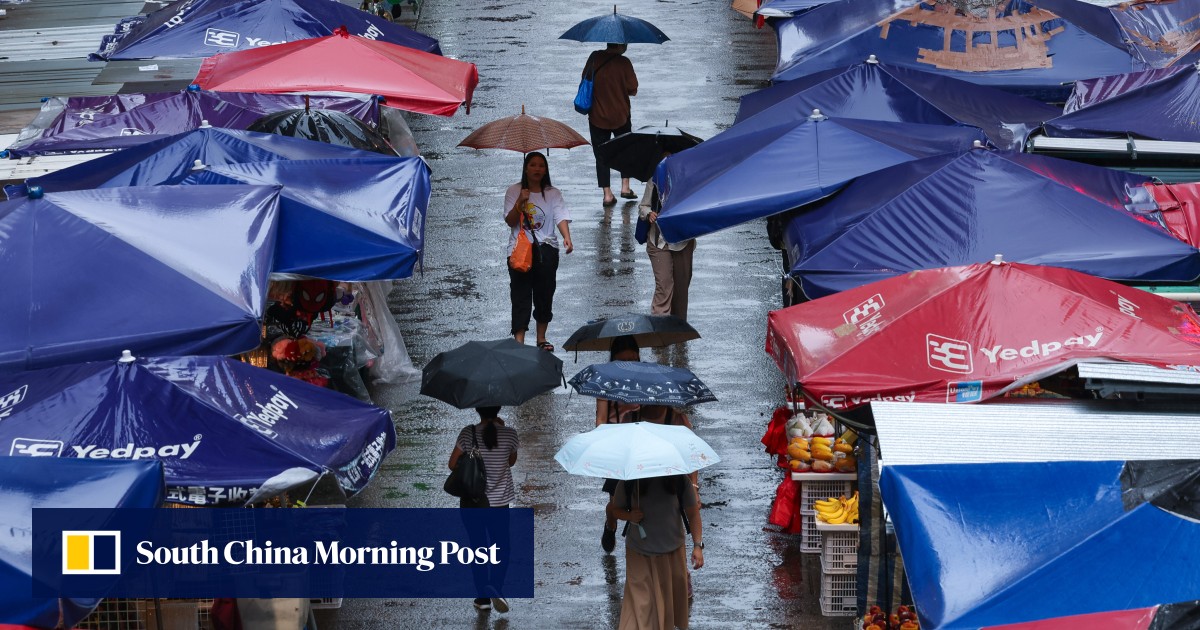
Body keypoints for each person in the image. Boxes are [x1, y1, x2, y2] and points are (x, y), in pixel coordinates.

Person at [448, 406, 519, 613]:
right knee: (501, 547)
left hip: (472, 502)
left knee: (477, 547)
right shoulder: (509, 434)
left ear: (477, 409)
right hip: (499, 504)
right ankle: (495, 586)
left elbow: (452, 464)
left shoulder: (467, 433)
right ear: (499, 408)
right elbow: (511, 462)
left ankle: (482, 598)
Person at [610, 473, 703, 630]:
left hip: (672, 552)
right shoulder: (629, 481)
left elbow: (693, 514)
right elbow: (615, 510)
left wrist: (697, 546)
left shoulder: (679, 480)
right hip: (638, 553)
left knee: (665, 610)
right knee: (640, 607)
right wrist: (629, 516)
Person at [504, 152, 573, 352]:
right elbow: (510, 221)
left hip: (546, 249)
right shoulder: (514, 190)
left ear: (546, 170)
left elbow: (560, 216)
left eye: (541, 165)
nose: (537, 169)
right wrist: (520, 202)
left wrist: (566, 236)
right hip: (520, 249)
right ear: (526, 168)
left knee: (545, 294)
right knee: (520, 294)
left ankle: (541, 338)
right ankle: (519, 340)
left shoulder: (553, 193)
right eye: (533, 165)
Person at [583, 43, 638, 206]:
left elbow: (585, 78)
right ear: (620, 44)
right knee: (625, 149)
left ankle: (607, 194)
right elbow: (633, 88)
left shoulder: (594, 58)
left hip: (597, 116)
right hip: (621, 115)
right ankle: (625, 187)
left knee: (601, 154)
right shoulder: (624, 62)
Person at [638, 168, 696, 321]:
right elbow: (643, 206)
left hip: (682, 240)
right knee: (664, 285)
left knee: (681, 290)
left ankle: (678, 326)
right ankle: (660, 326)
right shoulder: (655, 178)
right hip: (658, 240)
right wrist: (649, 214)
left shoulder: (688, 178)